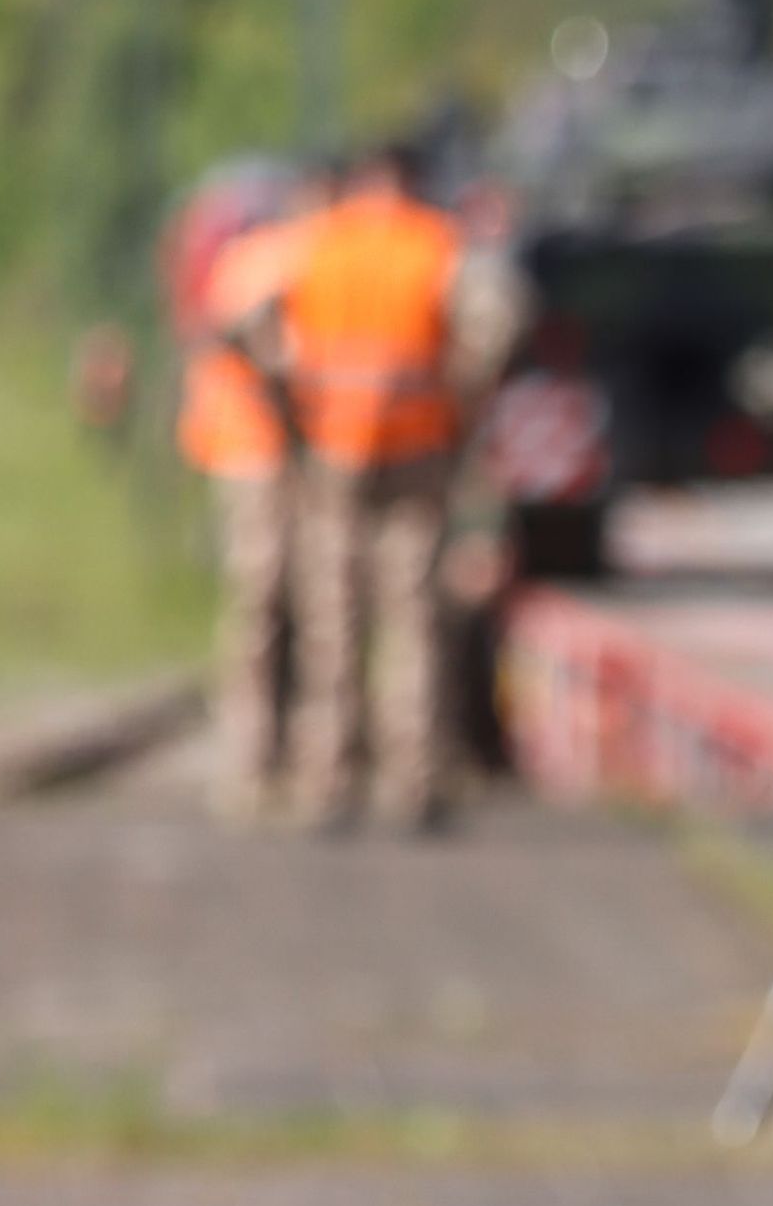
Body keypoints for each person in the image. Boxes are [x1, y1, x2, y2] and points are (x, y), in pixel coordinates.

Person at [239, 138, 516, 833]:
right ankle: (412, 780)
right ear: (410, 180)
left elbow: (250, 323)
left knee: (332, 618)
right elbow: (498, 320)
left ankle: (326, 777)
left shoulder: (317, 244)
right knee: (412, 616)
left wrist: (290, 407)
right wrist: (462, 401)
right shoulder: (434, 244)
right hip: (419, 449)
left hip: (332, 451)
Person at [173, 171, 314, 822]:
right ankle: (259, 763)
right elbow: (269, 354)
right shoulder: (284, 258)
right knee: (272, 607)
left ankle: (259, 760)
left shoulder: (244, 259)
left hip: (240, 450)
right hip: (265, 451)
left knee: (266, 607)